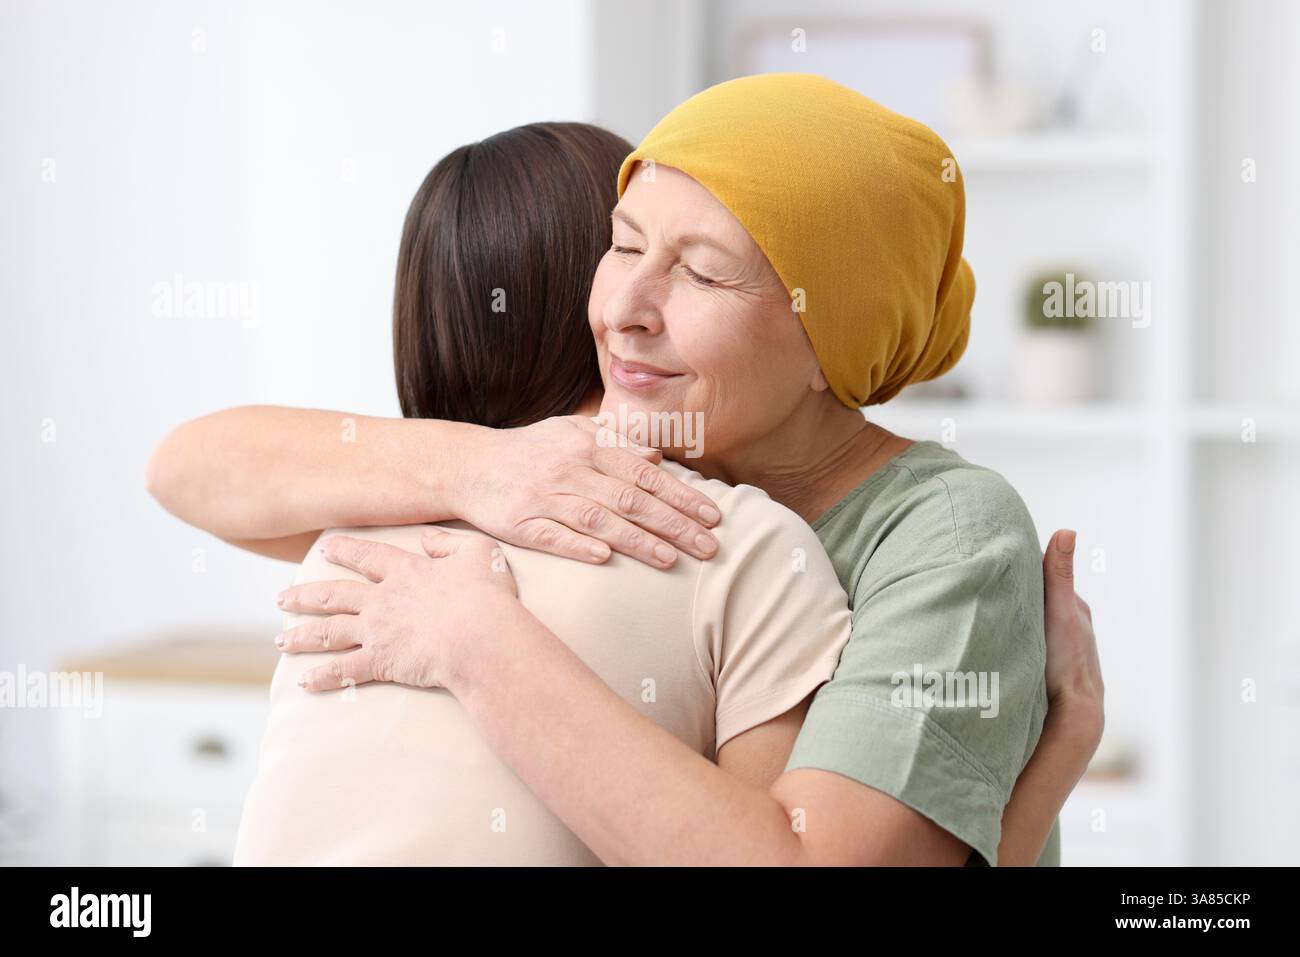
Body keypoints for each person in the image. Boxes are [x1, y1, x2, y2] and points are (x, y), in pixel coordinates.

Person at [149, 78, 1103, 866]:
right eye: (625, 243)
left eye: (704, 271)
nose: (625, 309)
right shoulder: (609, 466)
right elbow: (193, 469)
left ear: (830, 342)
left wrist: (477, 641)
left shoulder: (945, 532)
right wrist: (483, 466)